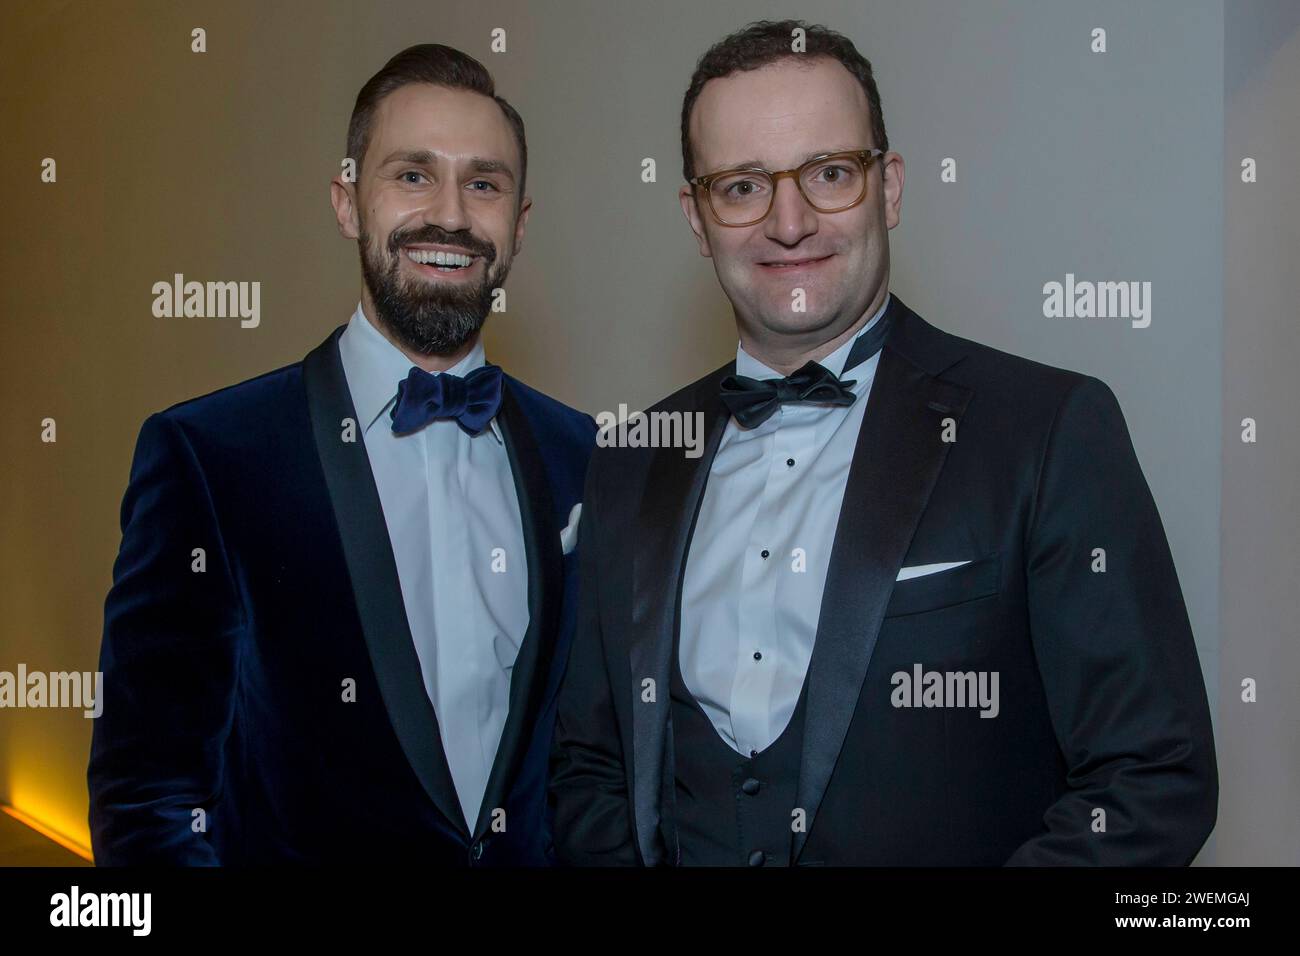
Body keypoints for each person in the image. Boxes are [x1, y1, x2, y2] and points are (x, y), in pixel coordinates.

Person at [550, 19, 1216, 866]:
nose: (788, 223)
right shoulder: (633, 459)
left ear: (889, 187)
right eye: (743, 187)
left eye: (830, 174)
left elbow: (1153, 777)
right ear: (696, 214)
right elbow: (590, 768)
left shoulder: (1047, 430)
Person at [89, 43, 594, 865]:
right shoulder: (211, 457)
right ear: (348, 201)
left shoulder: (584, 454)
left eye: (485, 184)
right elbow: (148, 796)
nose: (452, 215)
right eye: (412, 175)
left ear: (520, 223)